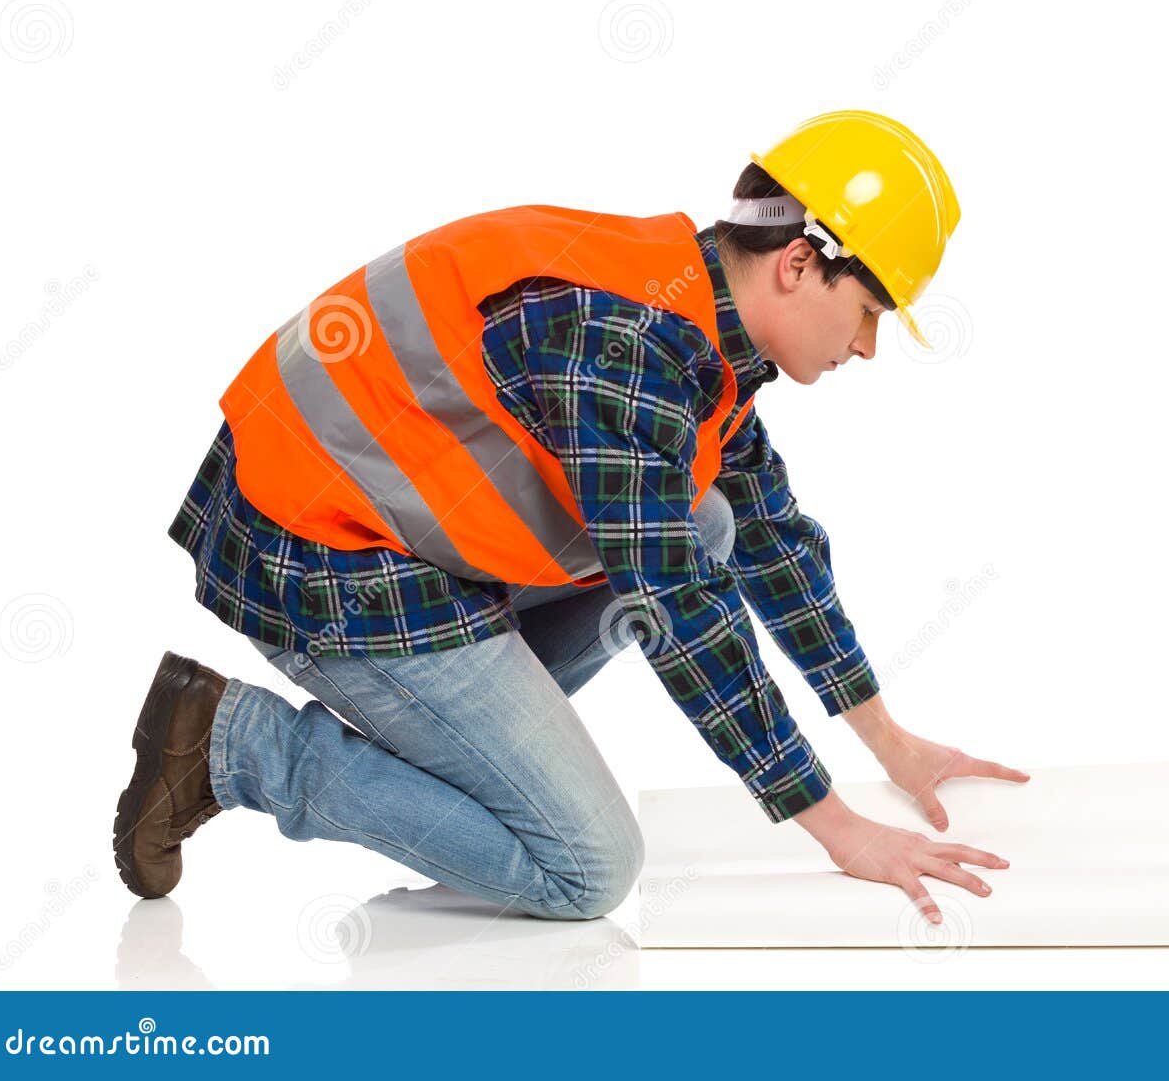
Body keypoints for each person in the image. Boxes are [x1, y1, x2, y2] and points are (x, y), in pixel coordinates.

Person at [114, 109, 1030, 925]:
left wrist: (889, 741)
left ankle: (464, 763)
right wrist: (835, 826)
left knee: (713, 521)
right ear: (798, 263)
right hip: (321, 551)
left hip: (390, 532)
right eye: (868, 311)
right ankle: (236, 747)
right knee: (588, 867)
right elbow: (674, 602)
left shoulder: (699, 324)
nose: (868, 346)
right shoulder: (631, 345)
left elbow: (769, 538)